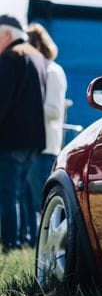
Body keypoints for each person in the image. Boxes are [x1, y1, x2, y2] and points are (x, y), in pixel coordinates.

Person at [0, 14, 47, 251]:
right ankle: (20, 242)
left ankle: (9, 243)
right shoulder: (37, 57)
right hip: (33, 139)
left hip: (11, 139)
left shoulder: (10, 58)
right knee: (20, 194)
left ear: (7, 35)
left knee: (7, 193)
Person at [25, 23, 68, 247]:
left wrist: (22, 109)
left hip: (45, 146)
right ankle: (31, 243)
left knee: (41, 202)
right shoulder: (39, 69)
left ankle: (44, 244)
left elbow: (53, 110)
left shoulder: (53, 71)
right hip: (33, 144)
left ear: (38, 44)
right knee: (29, 201)